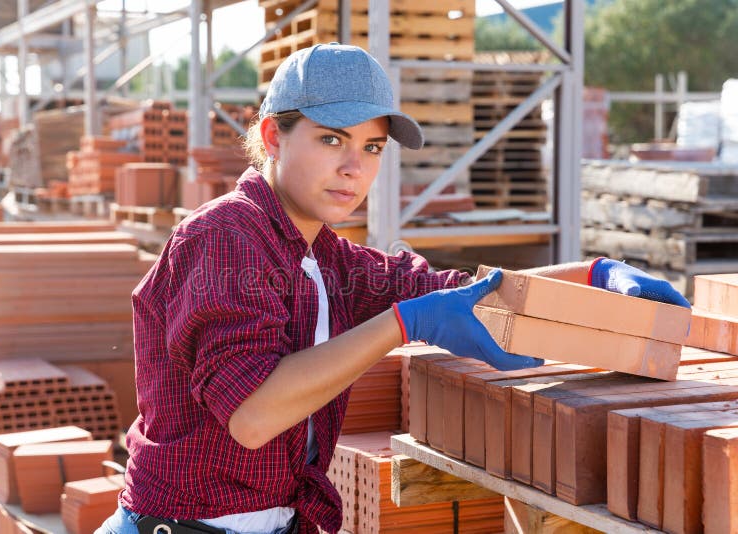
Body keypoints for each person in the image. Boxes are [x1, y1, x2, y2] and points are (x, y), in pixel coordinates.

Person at [96, 43, 689, 534]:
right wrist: (403, 324)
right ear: (273, 136)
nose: (355, 168)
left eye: (372, 147)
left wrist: (593, 276)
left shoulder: (324, 255)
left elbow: (463, 291)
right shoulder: (228, 236)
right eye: (332, 139)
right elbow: (252, 415)